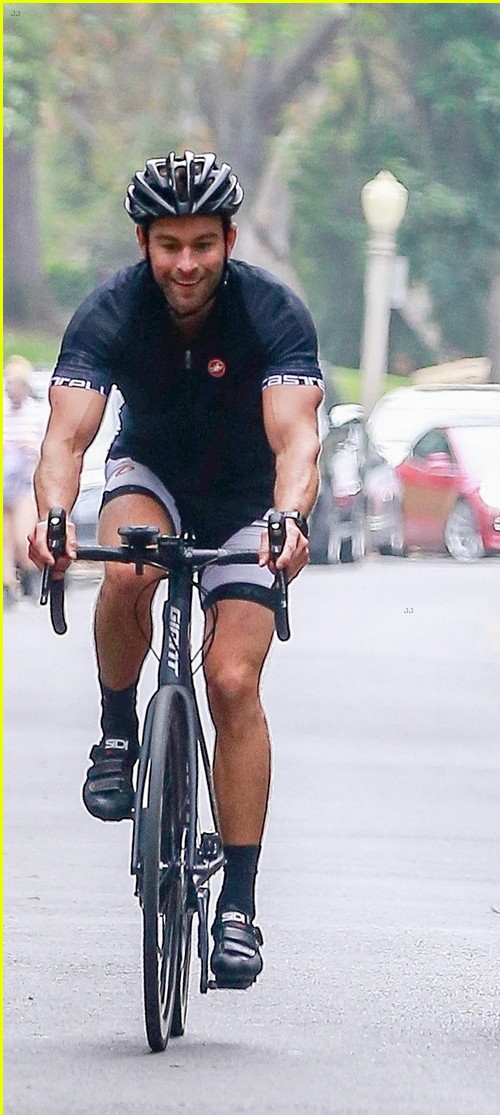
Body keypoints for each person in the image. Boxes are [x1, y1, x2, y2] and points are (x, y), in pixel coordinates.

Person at [28, 151, 324, 989]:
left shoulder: (271, 312)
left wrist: (290, 517)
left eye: (202, 244)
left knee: (231, 680)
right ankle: (117, 731)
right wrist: (54, 517)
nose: (186, 264)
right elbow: (67, 438)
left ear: (229, 238)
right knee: (127, 569)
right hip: (152, 474)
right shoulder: (110, 310)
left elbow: (296, 437)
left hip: (248, 498)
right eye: (168, 246)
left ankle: (238, 905)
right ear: (143, 244)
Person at [4, 355, 47, 605]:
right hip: (4, 483)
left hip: (25, 484)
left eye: (16, 383)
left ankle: (34, 579)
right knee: (4, 540)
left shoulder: (37, 414)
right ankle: (8, 586)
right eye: (9, 383)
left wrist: (30, 450)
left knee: (23, 537)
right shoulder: (4, 413)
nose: (12, 389)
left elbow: (46, 449)